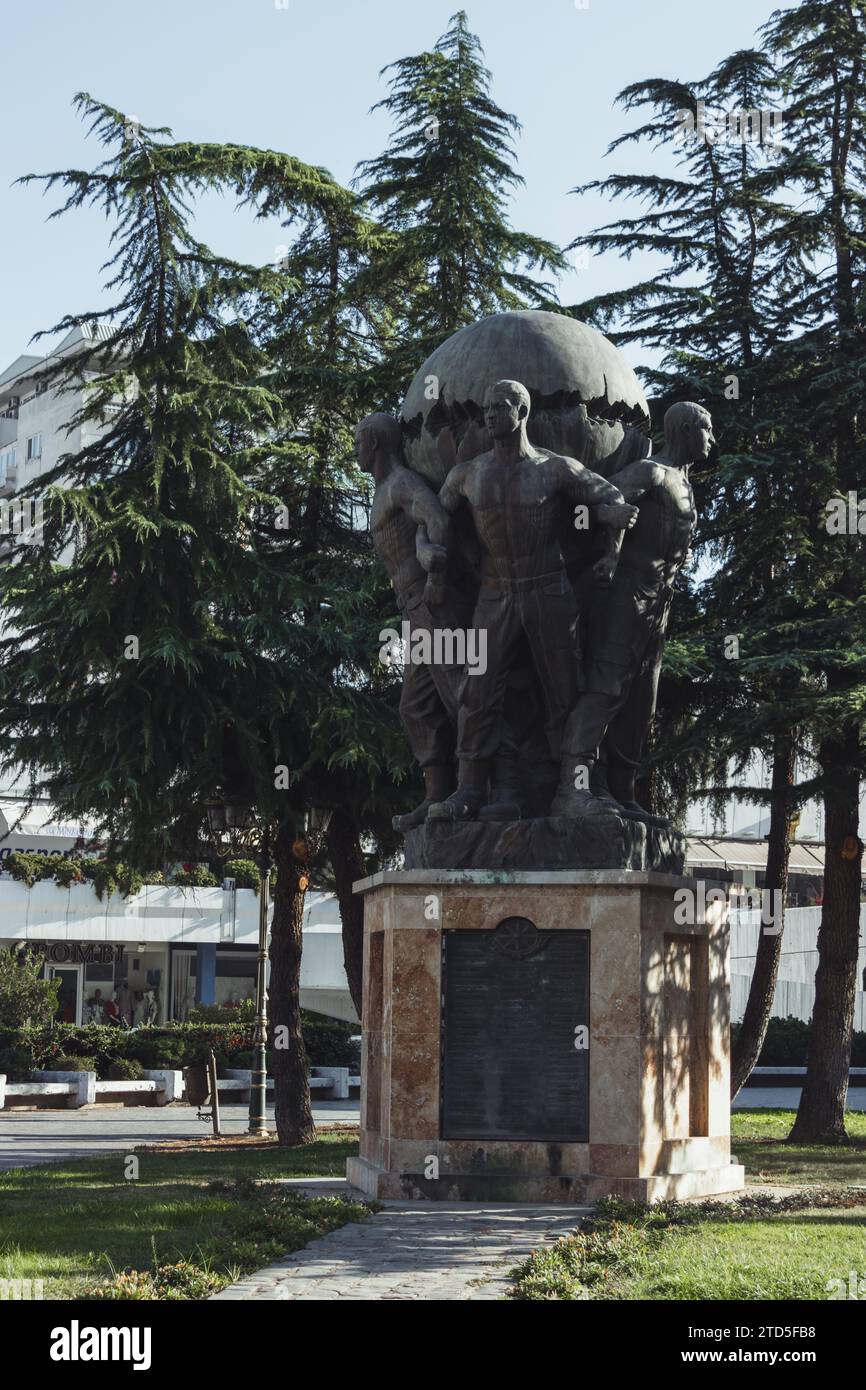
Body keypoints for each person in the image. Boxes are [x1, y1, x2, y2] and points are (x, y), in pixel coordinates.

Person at [428, 379, 637, 821]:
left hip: (548, 589)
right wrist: (427, 549)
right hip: (494, 591)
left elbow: (609, 497)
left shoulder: (554, 468)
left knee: (565, 691)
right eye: (486, 406)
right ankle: (469, 790)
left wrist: (612, 543)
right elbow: (433, 518)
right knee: (478, 691)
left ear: (521, 413)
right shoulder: (467, 474)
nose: (488, 414)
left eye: (498, 406)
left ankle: (574, 791)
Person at [552, 402, 714, 820]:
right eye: (706, 430)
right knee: (605, 688)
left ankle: (622, 795)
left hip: (659, 603)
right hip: (625, 594)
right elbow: (589, 508)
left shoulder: (684, 481)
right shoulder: (650, 471)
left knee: (642, 700)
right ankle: (573, 790)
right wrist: (611, 524)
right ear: (683, 430)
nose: (712, 440)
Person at [356, 412, 467, 828]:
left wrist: (435, 574)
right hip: (412, 610)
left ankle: (483, 787)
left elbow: (437, 519)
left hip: (431, 602)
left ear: (376, 443)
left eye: (359, 441)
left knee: (459, 692)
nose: (356, 450)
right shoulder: (382, 488)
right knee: (416, 706)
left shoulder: (402, 483)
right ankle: (437, 794)